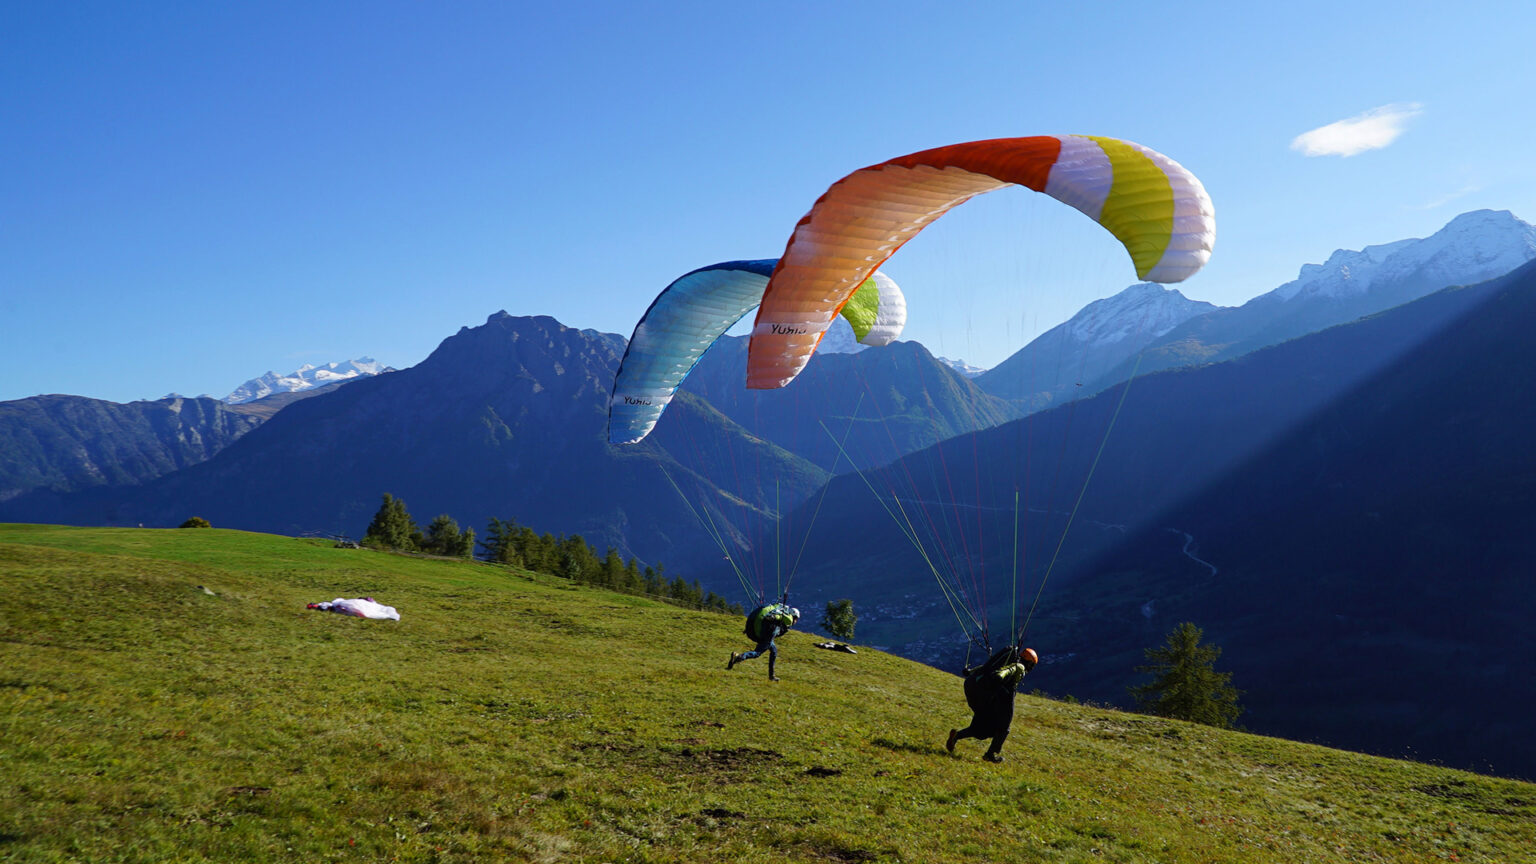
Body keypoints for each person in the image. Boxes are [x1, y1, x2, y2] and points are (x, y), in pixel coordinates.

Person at [945, 645, 1039, 763]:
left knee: (979, 727)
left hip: (987, 697)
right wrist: (1000, 676)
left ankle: (956, 736)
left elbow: (986, 668)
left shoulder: (1006, 661)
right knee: (1003, 728)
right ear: (1028, 662)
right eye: (1031, 664)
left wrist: (970, 671)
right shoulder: (1019, 666)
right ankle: (991, 754)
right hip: (1000, 698)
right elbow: (1008, 671)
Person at [728, 602, 799, 681]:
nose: (796, 621)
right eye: (796, 619)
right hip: (768, 636)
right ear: (794, 617)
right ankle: (738, 656)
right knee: (757, 653)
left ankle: (771, 676)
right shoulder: (788, 619)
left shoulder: (779, 612)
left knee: (774, 651)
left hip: (765, 634)